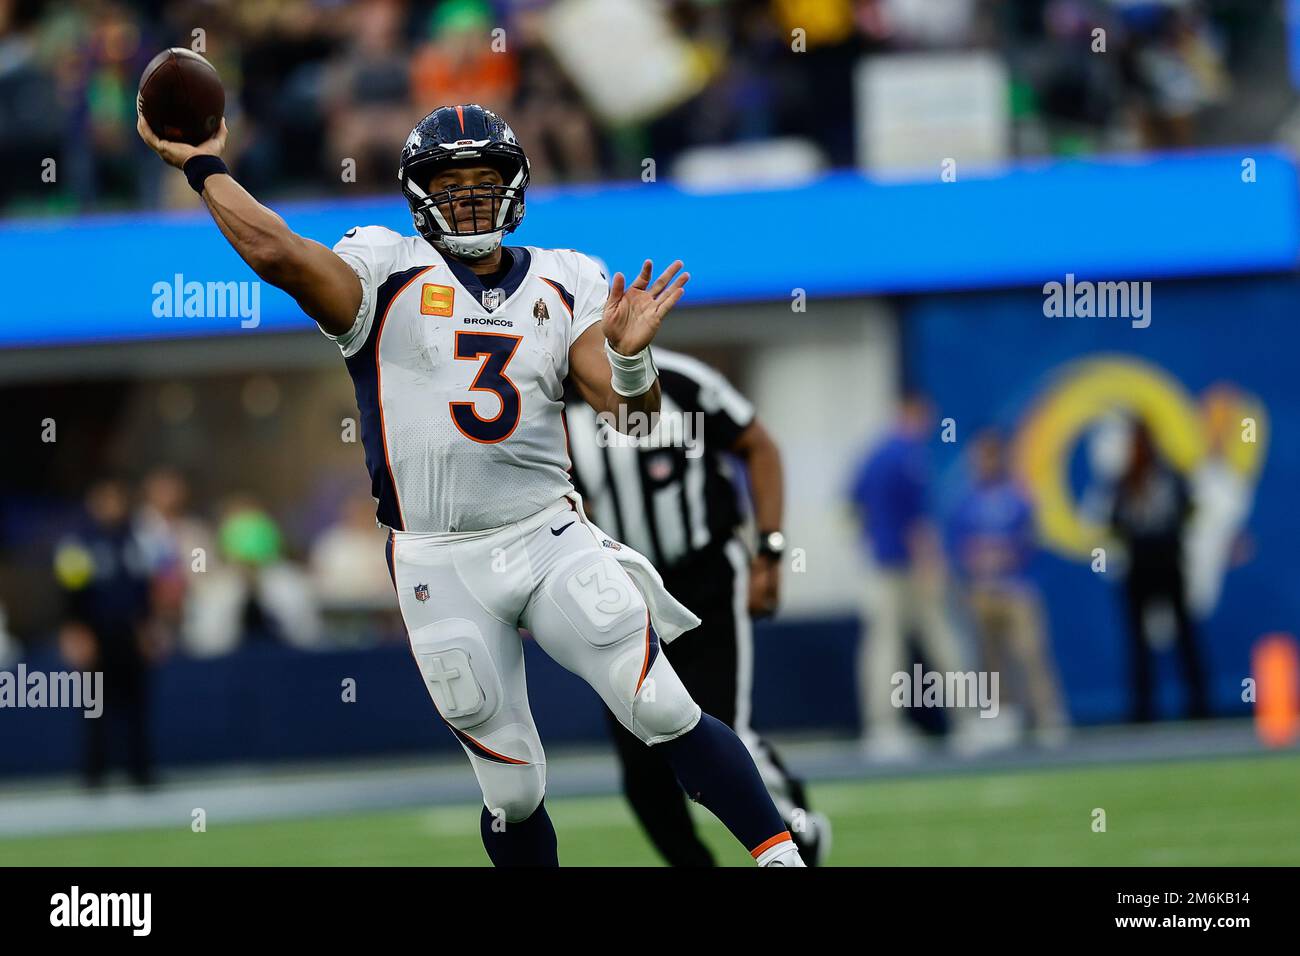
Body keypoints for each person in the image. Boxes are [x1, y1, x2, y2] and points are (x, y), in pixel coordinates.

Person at [138, 103, 805, 866]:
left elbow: (629, 417)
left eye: (485, 182)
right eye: (451, 184)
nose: (470, 199)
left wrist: (629, 360)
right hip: (439, 560)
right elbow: (281, 254)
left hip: (548, 534)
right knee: (513, 790)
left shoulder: (567, 278)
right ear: (420, 194)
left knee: (661, 704)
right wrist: (205, 168)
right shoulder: (383, 267)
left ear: (514, 188)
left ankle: (780, 859)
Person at [565, 349, 830, 865]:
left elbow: (758, 445)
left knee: (723, 729)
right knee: (642, 770)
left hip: (703, 577)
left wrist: (769, 552)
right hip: (618, 592)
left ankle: (799, 839)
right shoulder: (544, 400)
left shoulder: (681, 383)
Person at [848, 392, 968, 759]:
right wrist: (932, 563)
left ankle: (881, 728)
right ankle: (967, 722)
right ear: (912, 412)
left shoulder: (875, 453)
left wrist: (874, 543)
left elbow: (852, 504)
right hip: (909, 566)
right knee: (941, 639)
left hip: (883, 564)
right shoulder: (908, 454)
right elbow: (917, 520)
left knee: (884, 645)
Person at [948, 429, 1067, 747]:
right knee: (989, 660)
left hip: (1017, 589)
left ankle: (1048, 715)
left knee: (1030, 652)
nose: (982, 462)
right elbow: (959, 548)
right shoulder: (965, 501)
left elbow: (1031, 540)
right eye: (977, 456)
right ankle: (1001, 716)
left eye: (988, 455)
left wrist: (1005, 553)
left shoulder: (1018, 497)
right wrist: (976, 558)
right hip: (982, 591)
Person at [54, 478, 157, 789]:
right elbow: (69, 594)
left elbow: (144, 591)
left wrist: (147, 628)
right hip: (95, 632)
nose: (111, 506)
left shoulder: (135, 540)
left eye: (116, 499)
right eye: (105, 499)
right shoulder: (78, 543)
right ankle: (94, 775)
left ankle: (139, 772)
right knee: (94, 706)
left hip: (128, 632)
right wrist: (75, 631)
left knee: (136, 705)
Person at [1109, 420, 1208, 722]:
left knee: (1185, 637)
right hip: (1139, 566)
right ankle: (1143, 707)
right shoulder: (1125, 481)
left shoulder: (1169, 477)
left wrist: (1167, 531)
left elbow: (1190, 508)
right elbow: (1113, 522)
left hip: (1168, 562)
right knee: (1139, 642)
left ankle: (1198, 703)